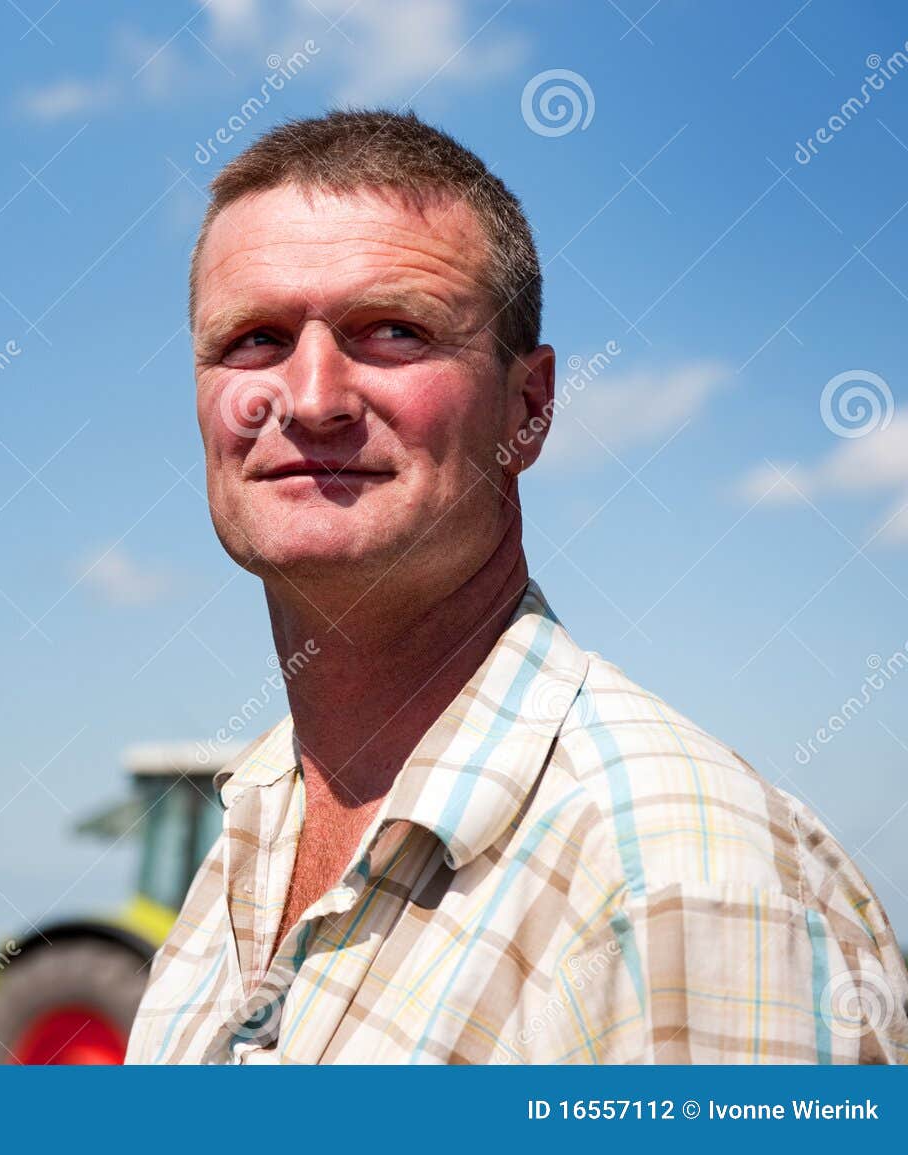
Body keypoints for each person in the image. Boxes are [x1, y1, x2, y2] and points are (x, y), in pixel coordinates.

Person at [124, 109, 908, 1064]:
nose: (313, 396)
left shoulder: (678, 884)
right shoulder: (241, 856)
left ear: (528, 407)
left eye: (392, 332)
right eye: (253, 339)